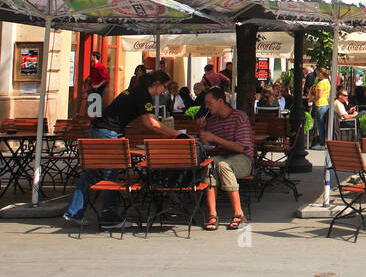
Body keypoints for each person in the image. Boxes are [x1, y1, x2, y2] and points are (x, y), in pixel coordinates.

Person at [64, 70, 177, 228]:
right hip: (108, 132)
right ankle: (109, 218)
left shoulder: (134, 90)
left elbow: (142, 120)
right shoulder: (143, 95)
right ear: (156, 84)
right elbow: (150, 123)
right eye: (164, 86)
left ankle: (74, 212)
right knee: (111, 173)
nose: (164, 91)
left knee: (91, 171)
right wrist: (176, 134)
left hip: (97, 129)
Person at [198, 87, 252, 231]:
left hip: (243, 159)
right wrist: (202, 130)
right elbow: (207, 145)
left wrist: (215, 138)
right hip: (223, 157)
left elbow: (241, 148)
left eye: (209, 103)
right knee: (209, 165)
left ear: (220, 101)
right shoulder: (213, 121)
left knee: (222, 165)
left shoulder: (239, 117)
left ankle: (239, 214)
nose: (206, 107)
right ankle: (212, 214)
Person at [311, 67, 332, 147]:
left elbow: (319, 95)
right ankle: (323, 141)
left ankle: (321, 142)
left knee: (320, 125)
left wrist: (312, 99)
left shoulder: (320, 83)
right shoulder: (327, 82)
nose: (316, 74)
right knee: (324, 124)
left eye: (317, 73)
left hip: (320, 104)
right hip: (326, 104)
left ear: (320, 73)